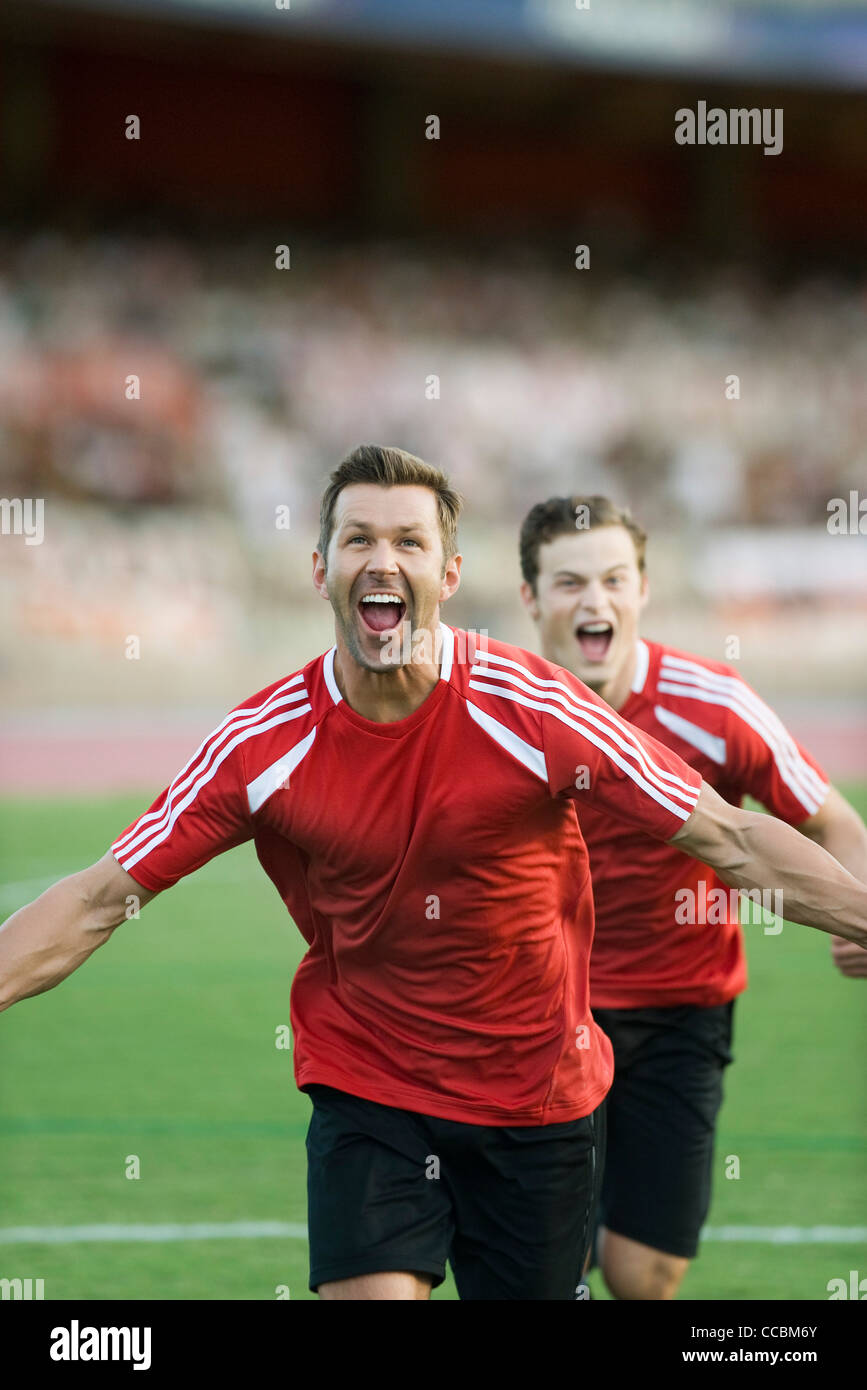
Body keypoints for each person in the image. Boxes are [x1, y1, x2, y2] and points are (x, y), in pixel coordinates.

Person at [2, 448, 866, 1303]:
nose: (382, 560)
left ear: (448, 572)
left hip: (537, 1094)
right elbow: (97, 899)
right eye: (357, 540)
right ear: (320, 568)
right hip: (369, 1080)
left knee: (639, 1276)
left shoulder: (535, 706)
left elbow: (732, 840)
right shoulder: (259, 746)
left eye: (409, 542)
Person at [518, 494, 867, 1300]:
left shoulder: (712, 705)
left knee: (646, 1275)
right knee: (539, 1267)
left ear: (642, 588)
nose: (593, 600)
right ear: (532, 597)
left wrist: (853, 910)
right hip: (540, 1012)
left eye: (612, 578)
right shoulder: (500, 710)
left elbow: (829, 820)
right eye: (568, 582)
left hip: (682, 1012)